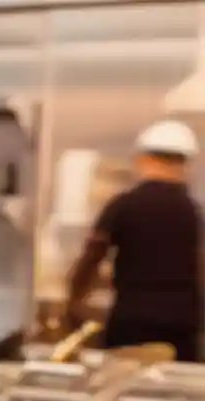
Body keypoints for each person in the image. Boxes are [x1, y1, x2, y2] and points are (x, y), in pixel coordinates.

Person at [67, 120, 203, 361]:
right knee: (177, 392)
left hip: (131, 322)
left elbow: (92, 257)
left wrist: (74, 301)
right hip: (181, 326)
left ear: (144, 159)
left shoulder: (123, 206)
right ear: (185, 165)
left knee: (122, 389)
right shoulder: (194, 213)